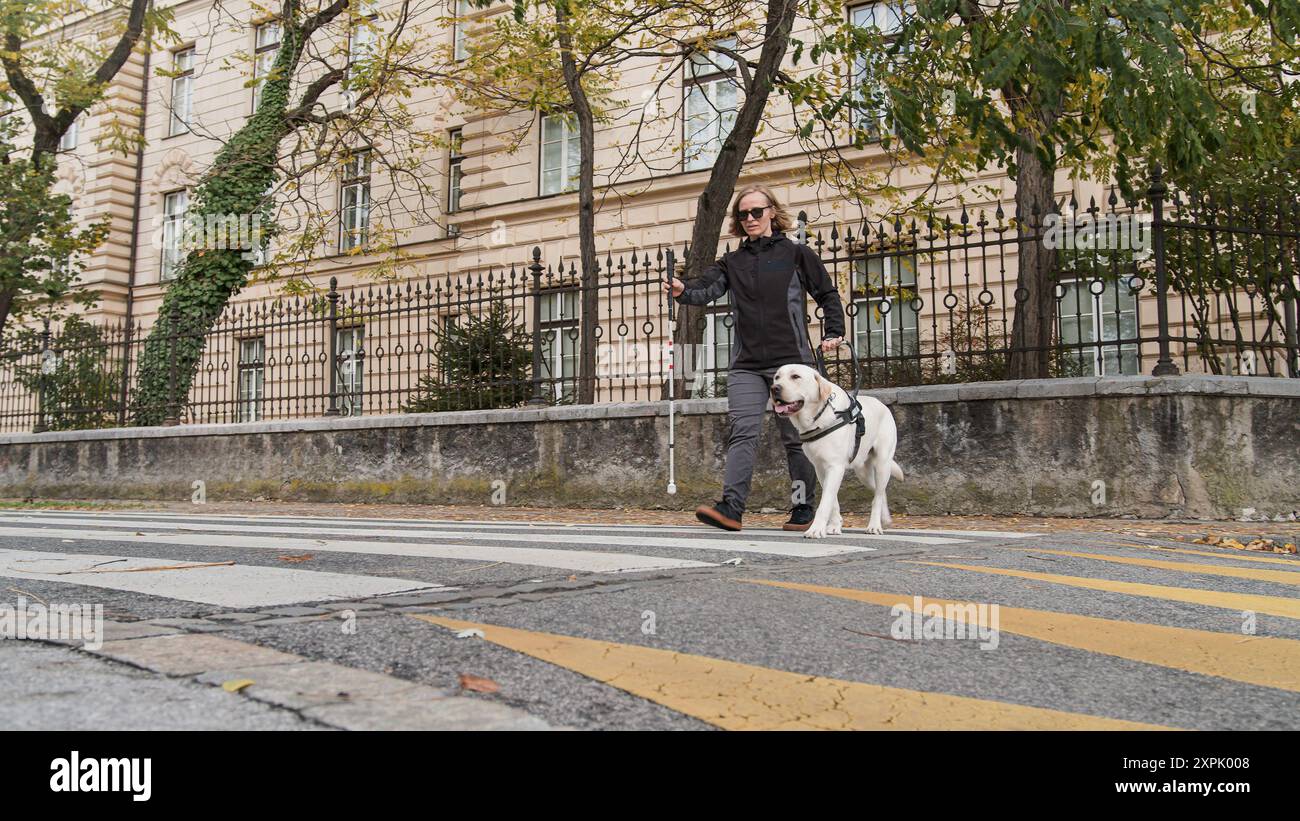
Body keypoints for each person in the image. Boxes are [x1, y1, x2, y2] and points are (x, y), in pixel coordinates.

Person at [665, 184, 846, 532]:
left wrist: (833, 331)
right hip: (746, 364)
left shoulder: (797, 254)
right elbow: (706, 288)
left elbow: (826, 293)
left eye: (756, 212)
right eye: (742, 214)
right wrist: (683, 291)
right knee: (742, 431)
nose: (750, 219)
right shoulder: (732, 262)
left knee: (798, 438)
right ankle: (731, 508)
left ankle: (803, 508)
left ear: (772, 213)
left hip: (793, 362)